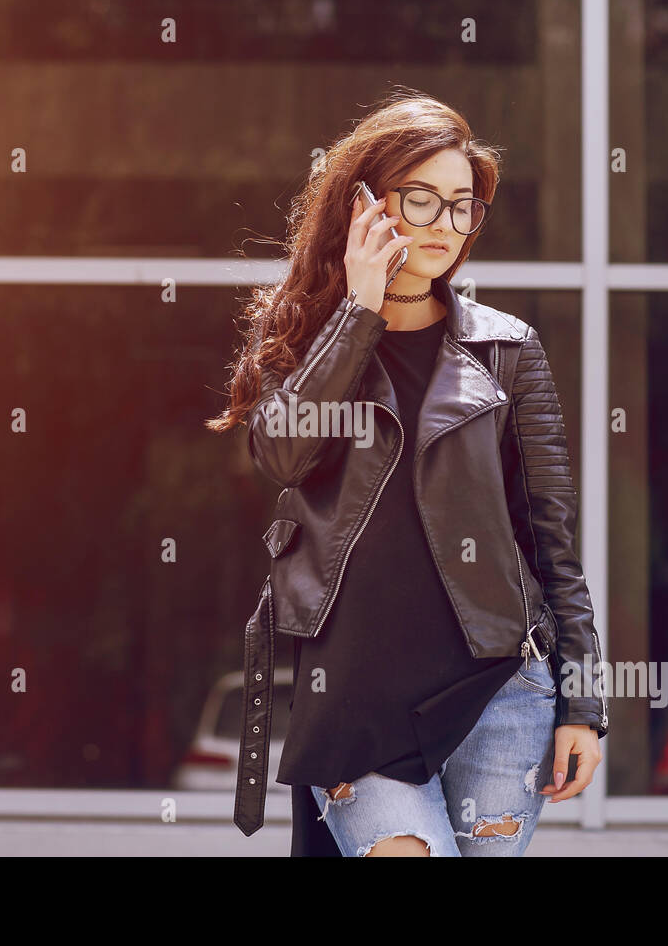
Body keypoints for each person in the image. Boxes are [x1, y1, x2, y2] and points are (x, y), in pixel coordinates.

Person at [207, 87, 607, 856]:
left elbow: (550, 539)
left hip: (499, 695)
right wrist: (357, 312)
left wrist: (583, 703)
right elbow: (283, 454)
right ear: (364, 203)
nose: (444, 225)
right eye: (421, 199)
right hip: (356, 703)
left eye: (462, 206)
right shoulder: (301, 336)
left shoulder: (509, 350)